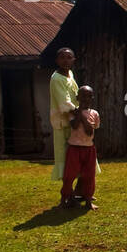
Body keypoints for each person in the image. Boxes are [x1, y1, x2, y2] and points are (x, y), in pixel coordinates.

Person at [61, 86, 101, 210]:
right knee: (69, 175)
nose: (85, 99)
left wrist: (81, 115)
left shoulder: (94, 113)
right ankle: (65, 198)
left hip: (88, 149)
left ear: (92, 98)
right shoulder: (72, 113)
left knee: (89, 175)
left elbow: (90, 131)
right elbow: (74, 125)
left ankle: (88, 200)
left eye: (89, 96)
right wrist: (78, 112)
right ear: (77, 98)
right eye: (83, 96)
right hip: (74, 148)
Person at [49, 48, 79, 182]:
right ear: (57, 60)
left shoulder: (70, 74)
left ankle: (81, 190)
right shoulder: (56, 79)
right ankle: (67, 193)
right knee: (64, 157)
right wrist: (82, 114)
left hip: (74, 121)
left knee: (77, 155)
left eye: (69, 57)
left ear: (74, 60)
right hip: (62, 123)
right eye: (62, 57)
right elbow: (64, 104)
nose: (65, 60)